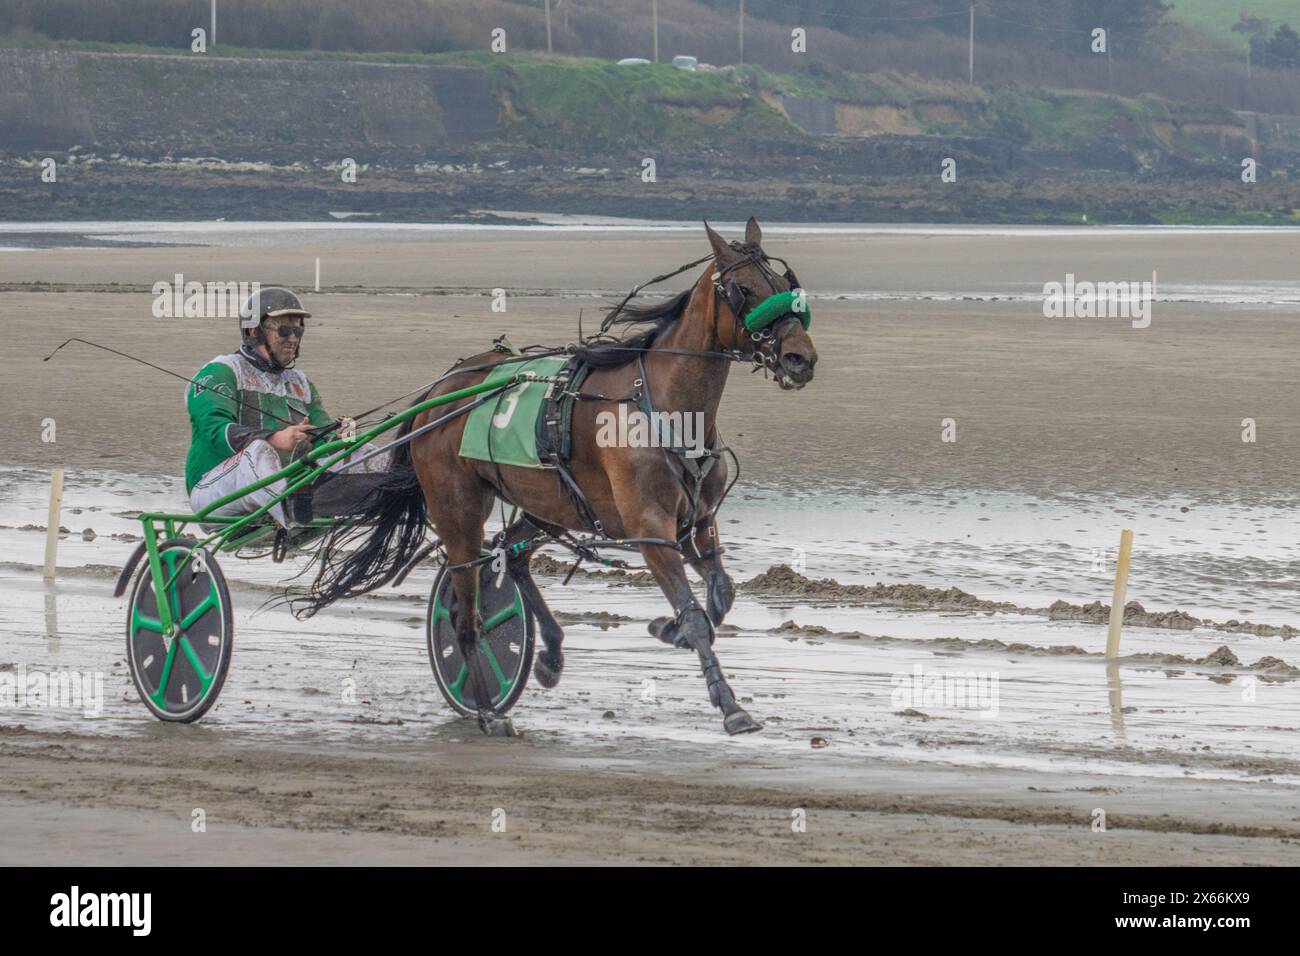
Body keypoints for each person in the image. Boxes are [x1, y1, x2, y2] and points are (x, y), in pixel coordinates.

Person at [185, 287, 388, 531]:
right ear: (253, 331)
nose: (293, 338)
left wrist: (342, 435)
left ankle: (387, 506)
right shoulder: (222, 371)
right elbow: (214, 430)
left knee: (364, 451)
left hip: (285, 489)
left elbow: (322, 440)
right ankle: (294, 514)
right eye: (284, 329)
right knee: (258, 450)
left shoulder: (300, 383)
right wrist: (274, 438)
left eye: (298, 329)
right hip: (213, 490)